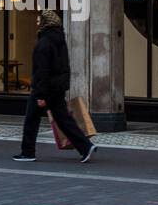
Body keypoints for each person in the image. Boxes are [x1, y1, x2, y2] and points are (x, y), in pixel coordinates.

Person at [13, 10, 96, 163]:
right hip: (57, 87)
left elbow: (42, 71)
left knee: (31, 120)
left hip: (44, 88)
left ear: (45, 23)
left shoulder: (44, 43)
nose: (37, 23)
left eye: (40, 20)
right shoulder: (59, 40)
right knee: (64, 120)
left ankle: (28, 152)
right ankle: (86, 147)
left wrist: (40, 95)